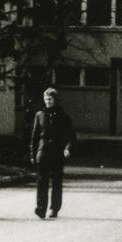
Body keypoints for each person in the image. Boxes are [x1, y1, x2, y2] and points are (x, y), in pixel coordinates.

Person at [30, 87, 75, 219]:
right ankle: (41, 208)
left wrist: (67, 148)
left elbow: (71, 136)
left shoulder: (64, 116)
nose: (47, 102)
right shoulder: (39, 115)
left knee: (56, 182)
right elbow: (35, 136)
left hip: (57, 153)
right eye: (45, 99)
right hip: (43, 152)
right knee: (41, 181)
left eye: (50, 99)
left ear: (55, 100)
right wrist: (33, 154)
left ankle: (54, 208)